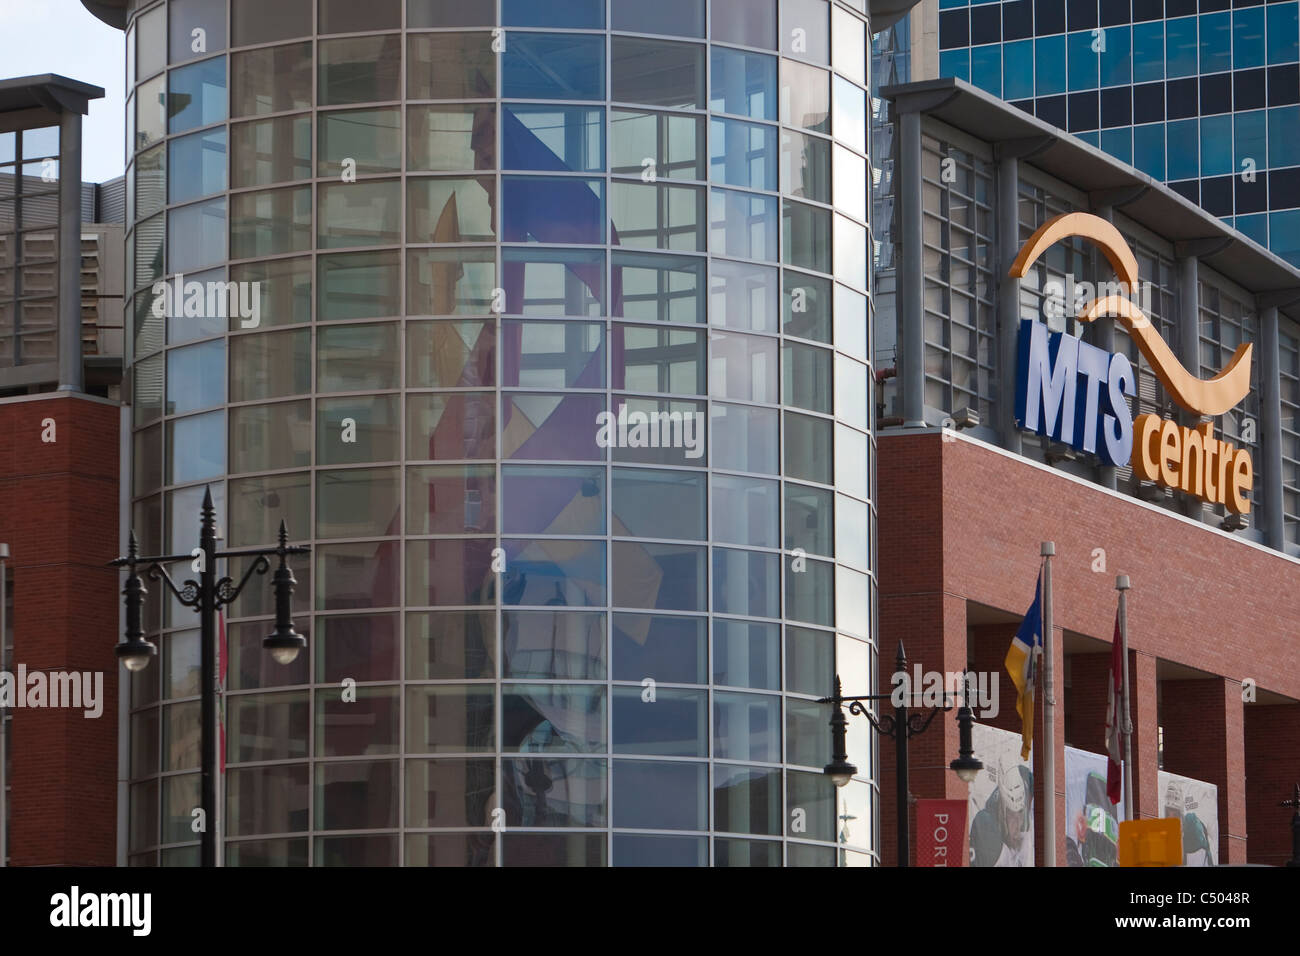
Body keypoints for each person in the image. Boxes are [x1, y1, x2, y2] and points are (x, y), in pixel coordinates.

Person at [970, 751, 1035, 866]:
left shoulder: (1026, 837)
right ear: (1002, 813)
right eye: (1012, 817)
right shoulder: (991, 833)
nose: (1017, 823)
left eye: (1020, 814)